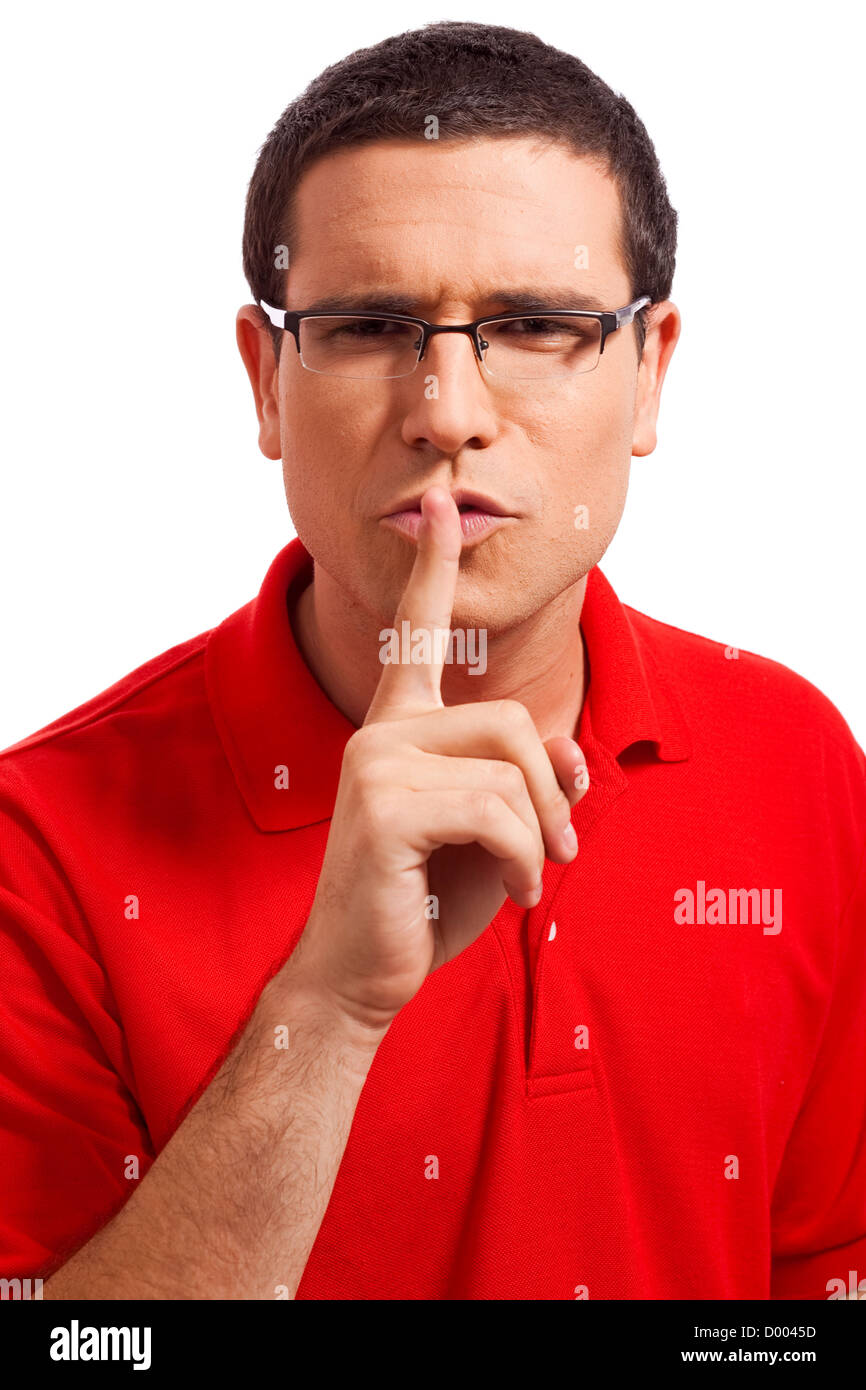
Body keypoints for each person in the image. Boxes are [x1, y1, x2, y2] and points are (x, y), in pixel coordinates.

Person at [1, 20, 863, 1302]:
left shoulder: (797, 758)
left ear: (648, 376)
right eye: (363, 325)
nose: (448, 411)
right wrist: (329, 1011)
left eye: (534, 323)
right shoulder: (41, 847)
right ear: (268, 382)